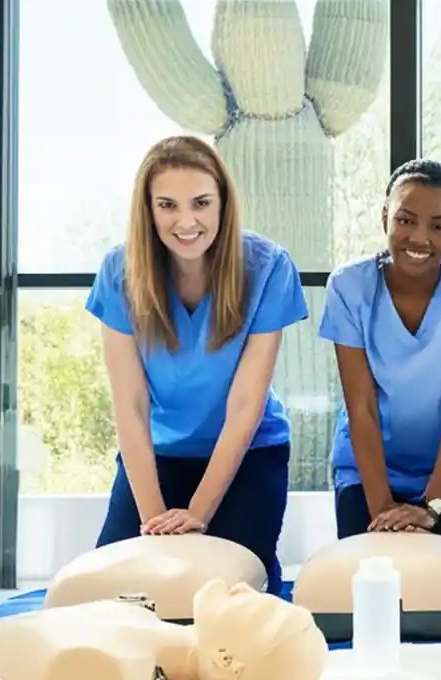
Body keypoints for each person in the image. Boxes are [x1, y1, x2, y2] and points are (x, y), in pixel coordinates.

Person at [86, 135, 308, 594]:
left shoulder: (268, 267)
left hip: (249, 455)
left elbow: (246, 404)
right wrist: (155, 526)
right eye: (167, 205)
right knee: (117, 587)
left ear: (223, 204)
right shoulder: (118, 272)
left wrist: (198, 515)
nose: (185, 221)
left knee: (231, 587)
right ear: (147, 210)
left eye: (201, 203)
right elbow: (129, 405)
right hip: (158, 455)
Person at [320, 159, 441, 553]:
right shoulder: (349, 286)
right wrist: (383, 510)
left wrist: (432, 507)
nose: (419, 238)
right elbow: (361, 407)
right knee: (365, 569)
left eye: (439, 226)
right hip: (370, 467)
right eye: (405, 220)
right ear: (384, 216)